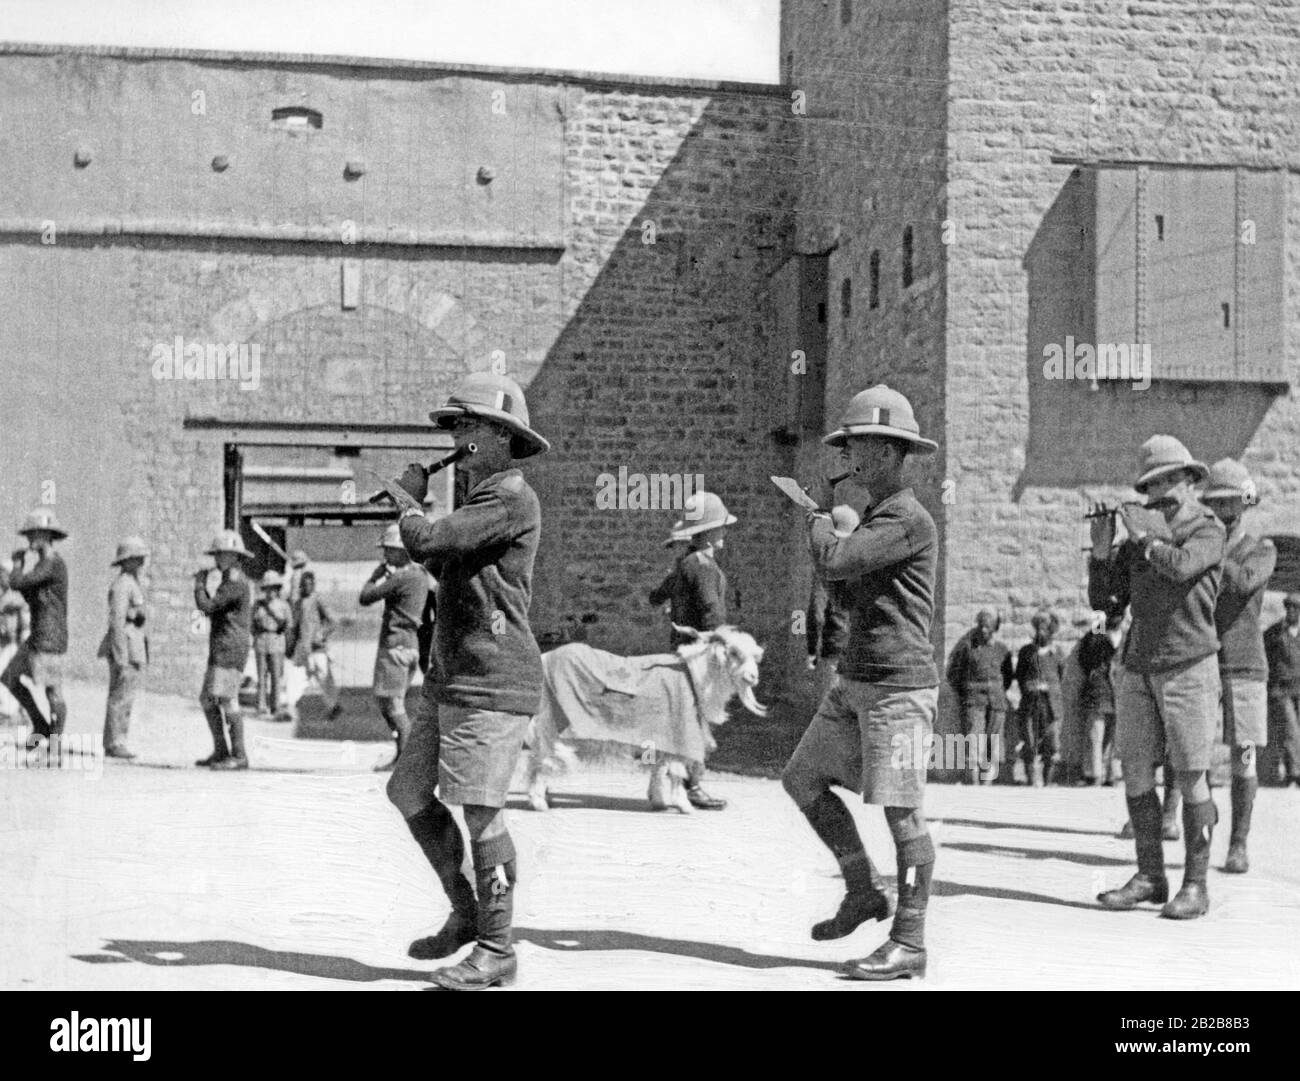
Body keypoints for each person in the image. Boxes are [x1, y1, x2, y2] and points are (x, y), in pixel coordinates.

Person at [385, 371, 548, 990]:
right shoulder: (483, 501)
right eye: (457, 426)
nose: (460, 436)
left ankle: (498, 948)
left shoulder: (508, 497)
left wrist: (407, 502)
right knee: (408, 791)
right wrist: (417, 511)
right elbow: (436, 548)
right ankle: (468, 911)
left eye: (472, 426)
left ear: (506, 438)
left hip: (494, 679)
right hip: (454, 677)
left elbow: (429, 540)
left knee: (482, 812)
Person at [783, 384, 940, 981]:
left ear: (898, 455)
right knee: (801, 780)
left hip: (898, 690)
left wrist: (818, 522)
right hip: (858, 682)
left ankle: (909, 941)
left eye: (871, 446)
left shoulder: (906, 515)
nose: (857, 455)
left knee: (902, 814)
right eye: (853, 444)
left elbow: (836, 564)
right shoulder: (878, 516)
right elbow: (846, 585)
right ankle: (862, 890)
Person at [1089, 435, 1224, 920]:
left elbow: (1184, 566)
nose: (1159, 492)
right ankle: (1149, 876)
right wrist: (1102, 555)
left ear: (1190, 482)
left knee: (1191, 776)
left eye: (1168, 481)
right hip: (1138, 664)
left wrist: (1146, 539)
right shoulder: (1142, 537)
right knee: (1137, 772)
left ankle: (1196, 884)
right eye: (1151, 485)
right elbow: (1105, 604)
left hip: (1189, 664)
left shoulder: (1205, 529)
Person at [1200, 459, 1275, 874]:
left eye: (1230, 505)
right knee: (1193, 752)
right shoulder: (1204, 547)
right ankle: (1199, 840)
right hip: (1202, 661)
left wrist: (1210, 555)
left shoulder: (1262, 550)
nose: (1223, 513)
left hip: (1246, 665)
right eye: (1215, 505)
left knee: (1243, 756)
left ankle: (1239, 844)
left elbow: (1245, 581)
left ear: (1243, 506)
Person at [647, 490, 738, 810]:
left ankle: (673, 783)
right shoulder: (705, 567)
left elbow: (655, 597)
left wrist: (672, 608)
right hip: (700, 657)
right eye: (721, 527)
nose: (725, 532)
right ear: (710, 532)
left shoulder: (684, 564)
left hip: (680, 653)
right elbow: (713, 614)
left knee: (682, 719)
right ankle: (694, 784)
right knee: (698, 720)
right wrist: (725, 643)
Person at [360, 524, 429, 771]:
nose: (385, 555)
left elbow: (365, 597)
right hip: (410, 645)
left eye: (389, 550)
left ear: (402, 551)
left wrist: (376, 575)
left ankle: (405, 760)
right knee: (388, 701)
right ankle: (402, 756)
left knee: (393, 705)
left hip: (394, 645)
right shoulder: (420, 576)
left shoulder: (401, 577)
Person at [1, 509, 70, 751]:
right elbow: (27, 590)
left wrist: (17, 564)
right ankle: (41, 725)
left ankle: (55, 743)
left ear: (46, 534)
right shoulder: (44, 564)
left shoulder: (52, 563)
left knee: (53, 691)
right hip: (38, 635)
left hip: (50, 637)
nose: (30, 539)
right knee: (9, 677)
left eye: (34, 534)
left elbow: (19, 582)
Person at [194, 530, 255, 770]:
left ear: (234, 555)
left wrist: (199, 585)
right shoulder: (230, 580)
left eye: (222, 554)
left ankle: (238, 755)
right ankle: (221, 751)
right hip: (222, 646)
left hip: (230, 647)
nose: (217, 558)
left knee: (228, 700)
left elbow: (208, 606)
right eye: (217, 554)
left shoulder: (235, 582)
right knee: (208, 699)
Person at [945, 609, 1012, 784]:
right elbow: (953, 673)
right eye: (981, 625)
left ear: (995, 628)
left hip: (996, 702)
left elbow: (1008, 677)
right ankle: (972, 782)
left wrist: (997, 691)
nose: (983, 630)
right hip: (974, 701)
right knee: (973, 740)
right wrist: (967, 692)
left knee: (993, 741)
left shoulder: (1002, 650)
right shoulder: (967, 648)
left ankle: (987, 782)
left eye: (988, 627)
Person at [98, 536, 150, 760]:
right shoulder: (122, 586)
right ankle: (114, 741)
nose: (140, 562)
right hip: (126, 647)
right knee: (120, 697)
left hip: (134, 645)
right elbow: (117, 621)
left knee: (126, 697)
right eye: (135, 559)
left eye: (140, 558)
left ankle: (118, 739)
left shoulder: (133, 583)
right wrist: (120, 655)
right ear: (125, 561)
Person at [807, 506, 857, 708]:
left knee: (829, 713)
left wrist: (811, 650)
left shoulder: (825, 570)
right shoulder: (861, 566)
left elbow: (816, 613)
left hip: (833, 650)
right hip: (859, 653)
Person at [1013, 610, 1066, 786]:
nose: (1041, 633)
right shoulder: (1026, 652)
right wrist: (1030, 688)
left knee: (1051, 744)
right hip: (1030, 704)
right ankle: (1030, 781)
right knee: (1029, 741)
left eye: (1045, 629)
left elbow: (1062, 678)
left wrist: (1049, 688)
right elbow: (1019, 676)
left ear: (1051, 632)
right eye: (1038, 629)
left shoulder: (1057, 653)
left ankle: (1047, 781)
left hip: (1051, 705)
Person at [1077, 606, 1124, 785]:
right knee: (1095, 735)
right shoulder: (1095, 637)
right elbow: (1086, 657)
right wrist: (1097, 623)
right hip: (1098, 690)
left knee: (1116, 737)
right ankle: (1094, 774)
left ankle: (1113, 775)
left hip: (1119, 691)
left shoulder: (1126, 637)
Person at [288, 570, 341, 720]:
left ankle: (333, 706)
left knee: (325, 678)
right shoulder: (298, 604)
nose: (306, 587)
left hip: (318, 649)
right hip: (303, 648)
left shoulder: (318, 600)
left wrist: (321, 634)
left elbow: (333, 621)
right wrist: (291, 646)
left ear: (313, 585)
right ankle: (290, 707)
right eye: (303, 585)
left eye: (309, 584)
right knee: (296, 678)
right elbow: (295, 627)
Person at [1263, 594, 1300, 786]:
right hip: (1282, 689)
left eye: (1296, 608)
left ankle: (1293, 772)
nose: (1292, 611)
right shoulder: (1274, 633)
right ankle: (1294, 773)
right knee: (1290, 730)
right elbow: (1266, 659)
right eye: (1289, 608)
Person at [252, 570, 293, 720]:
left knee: (276, 676)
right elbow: (252, 624)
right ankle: (261, 706)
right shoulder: (258, 605)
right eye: (268, 588)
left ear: (277, 589)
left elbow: (289, 625)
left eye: (273, 588)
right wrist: (255, 637)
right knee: (261, 676)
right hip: (261, 641)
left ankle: (276, 706)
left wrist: (287, 645)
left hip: (277, 641)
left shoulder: (283, 606)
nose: (270, 592)